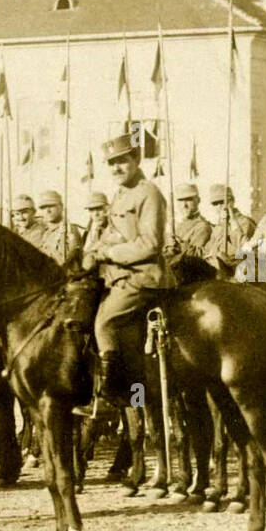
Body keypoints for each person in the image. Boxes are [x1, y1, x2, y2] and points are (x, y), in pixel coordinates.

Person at [75, 134, 173, 413]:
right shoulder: (120, 196)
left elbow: (151, 243)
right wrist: (93, 251)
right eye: (112, 164)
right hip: (118, 276)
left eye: (122, 161)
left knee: (104, 322)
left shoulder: (148, 193)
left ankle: (109, 397)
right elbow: (113, 235)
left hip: (143, 277)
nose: (117, 168)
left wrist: (107, 254)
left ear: (136, 160)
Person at [203, 184, 256, 273]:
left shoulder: (245, 223)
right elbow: (208, 251)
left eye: (223, 202)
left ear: (232, 201)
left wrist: (232, 218)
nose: (219, 206)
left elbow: (246, 249)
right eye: (215, 204)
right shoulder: (218, 228)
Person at [168, 183, 212, 258]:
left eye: (188, 200)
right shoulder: (180, 225)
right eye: (180, 200)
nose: (184, 205)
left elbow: (194, 256)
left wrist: (178, 245)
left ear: (198, 200)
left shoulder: (203, 226)